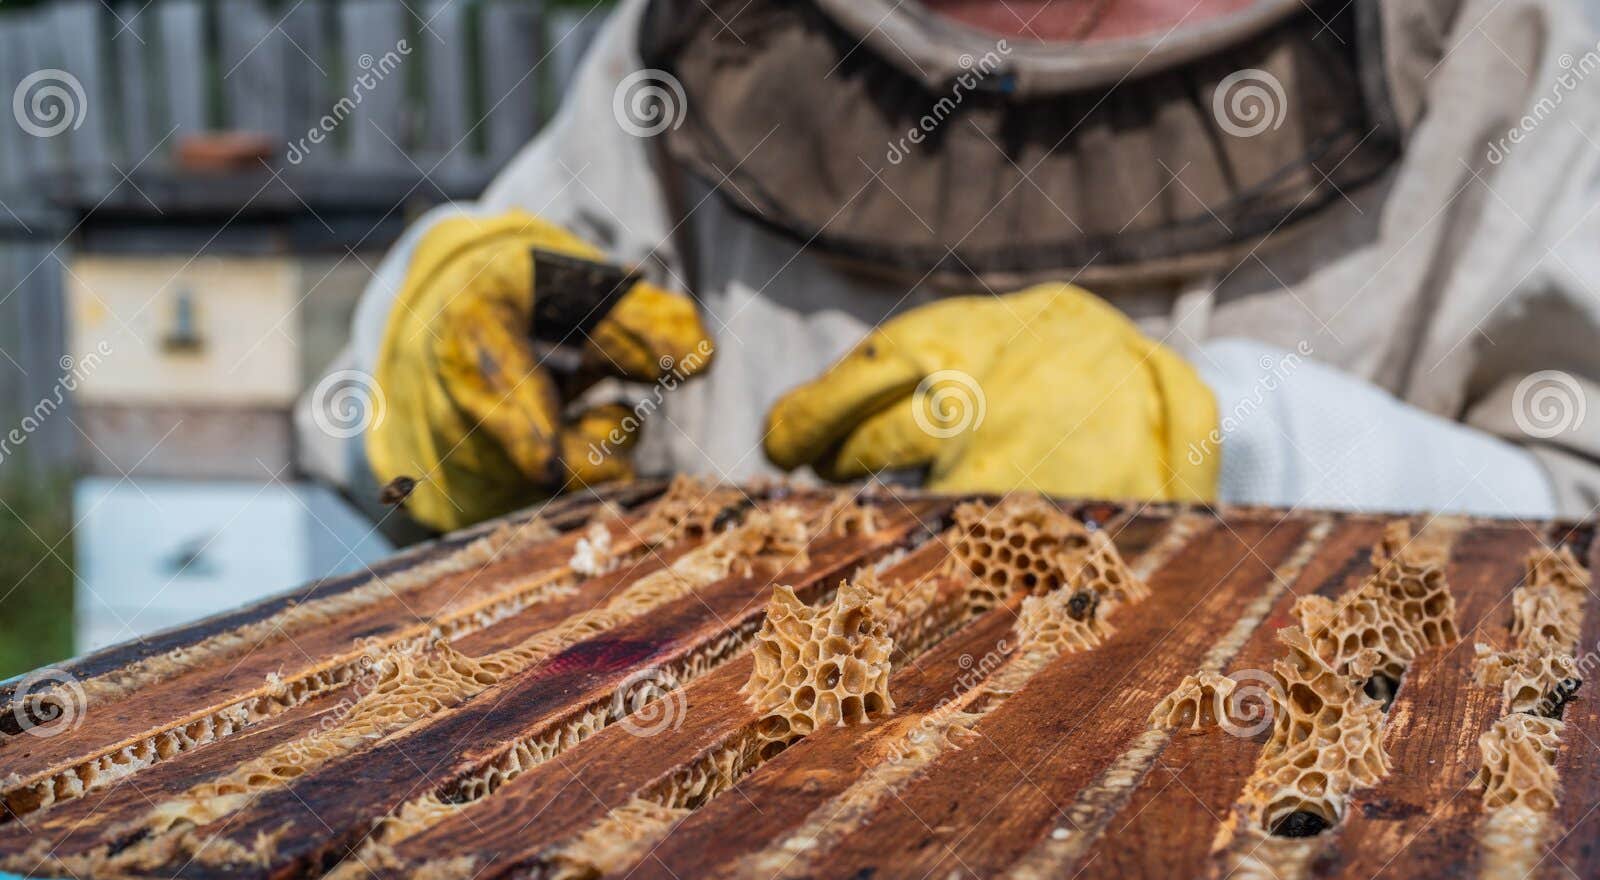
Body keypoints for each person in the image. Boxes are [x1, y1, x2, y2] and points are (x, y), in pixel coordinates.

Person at [298, 0, 1600, 537]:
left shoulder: (1540, 56)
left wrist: (1247, 451)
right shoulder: (708, 38)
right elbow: (430, 413)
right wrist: (413, 359)